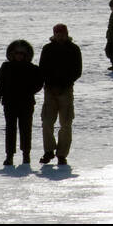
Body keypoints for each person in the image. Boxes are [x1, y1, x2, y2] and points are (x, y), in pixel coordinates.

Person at [0, 39, 42, 167]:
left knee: (26, 129)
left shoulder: (33, 69)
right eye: (16, 53)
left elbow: (39, 84)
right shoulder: (6, 67)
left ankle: (26, 155)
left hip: (26, 103)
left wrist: (28, 92)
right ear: (12, 54)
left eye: (22, 53)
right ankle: (9, 156)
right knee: (10, 129)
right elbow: (0, 84)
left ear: (26, 55)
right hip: (9, 103)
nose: (19, 55)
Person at [39, 24, 83, 166]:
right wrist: (50, 86)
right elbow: (42, 69)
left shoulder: (74, 49)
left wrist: (64, 85)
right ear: (54, 34)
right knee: (46, 122)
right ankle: (49, 151)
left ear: (66, 33)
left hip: (66, 90)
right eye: (57, 33)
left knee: (66, 124)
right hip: (50, 91)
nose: (60, 35)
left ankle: (62, 154)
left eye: (62, 33)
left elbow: (77, 71)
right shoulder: (47, 49)